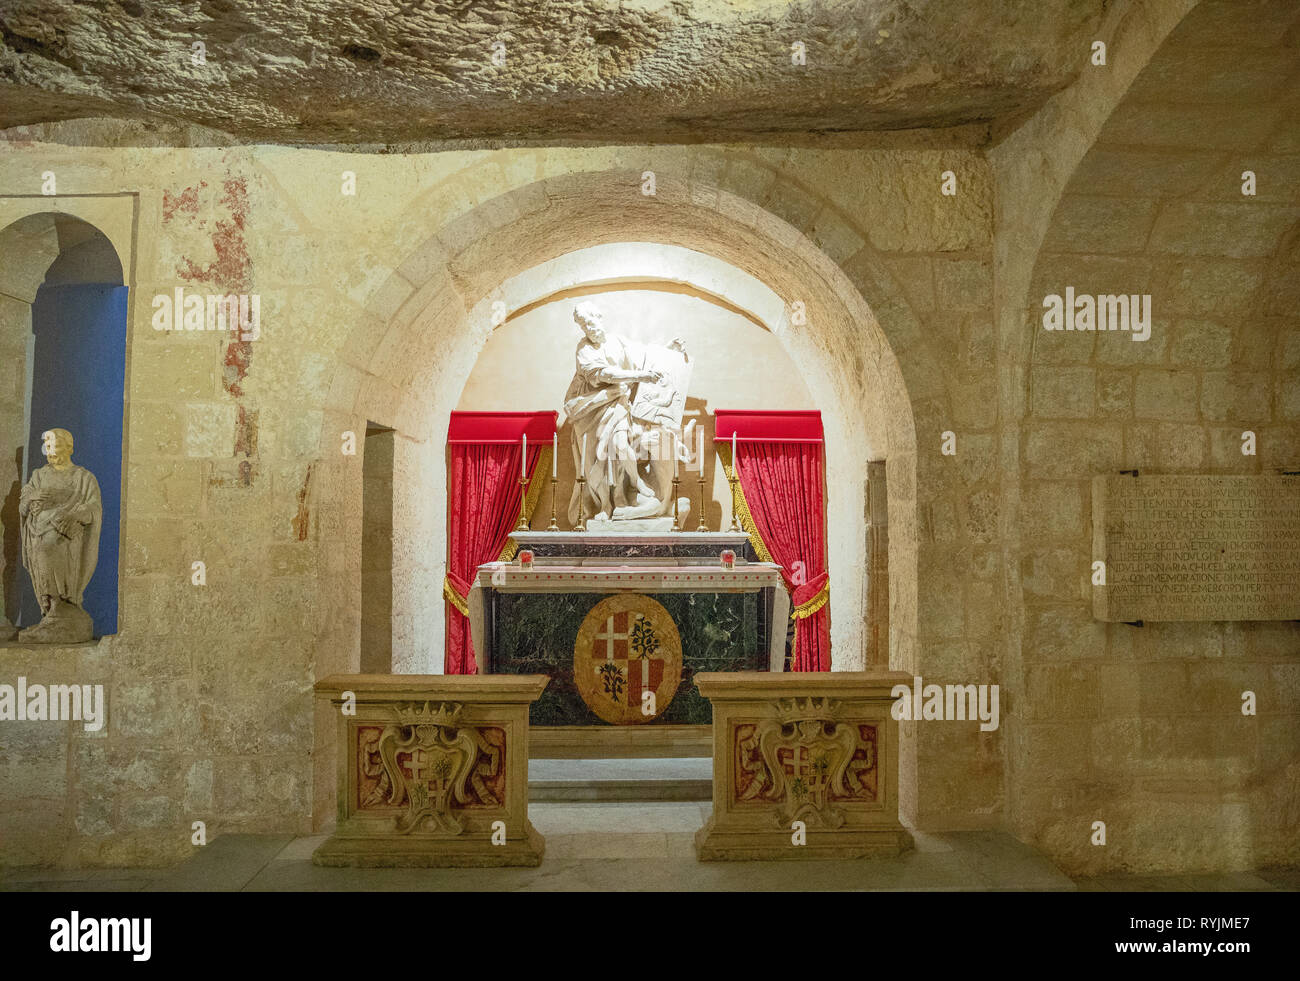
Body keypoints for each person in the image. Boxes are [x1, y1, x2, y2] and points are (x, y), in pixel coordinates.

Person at [18, 428, 102, 642]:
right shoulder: (39, 475)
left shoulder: (83, 478)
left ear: (68, 447)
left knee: (51, 549)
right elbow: (23, 505)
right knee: (43, 557)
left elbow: (94, 508)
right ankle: (50, 613)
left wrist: (74, 515)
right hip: (38, 533)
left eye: (54, 445)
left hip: (66, 537)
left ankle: (61, 609)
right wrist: (33, 498)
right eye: (47, 446)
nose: (50, 450)